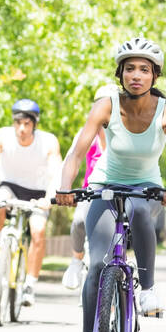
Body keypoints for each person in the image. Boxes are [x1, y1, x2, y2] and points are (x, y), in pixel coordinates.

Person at [55, 38, 166, 332]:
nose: (136, 75)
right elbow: (77, 151)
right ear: (120, 73)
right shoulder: (106, 105)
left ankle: (148, 289)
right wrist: (65, 188)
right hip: (106, 184)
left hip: (147, 186)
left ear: (154, 75)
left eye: (144, 69)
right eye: (130, 68)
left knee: (141, 212)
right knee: (97, 266)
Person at [0, 99, 63, 307]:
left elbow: (56, 174)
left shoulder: (49, 142)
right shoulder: (2, 136)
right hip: (9, 186)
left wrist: (49, 199)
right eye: (18, 123)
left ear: (35, 124)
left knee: (38, 230)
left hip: (38, 193)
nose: (22, 128)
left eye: (27, 124)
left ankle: (29, 286)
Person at [61, 85, 114, 291]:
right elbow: (70, 160)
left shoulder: (126, 134)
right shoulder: (88, 135)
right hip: (92, 191)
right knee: (79, 221)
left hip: (119, 190)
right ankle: (76, 260)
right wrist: (62, 189)